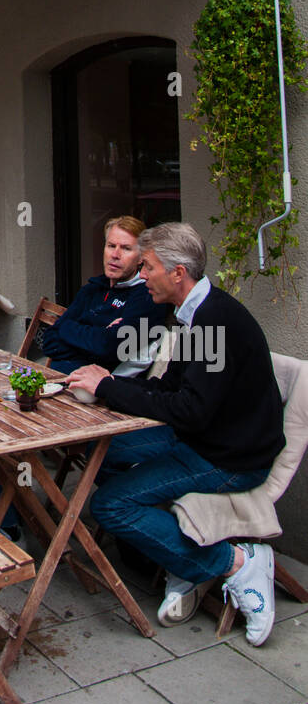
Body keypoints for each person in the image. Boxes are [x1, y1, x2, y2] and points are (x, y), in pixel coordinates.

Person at [68, 222, 285, 647]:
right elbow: (169, 389)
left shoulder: (213, 323)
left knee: (111, 505)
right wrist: (104, 383)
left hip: (228, 458)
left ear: (178, 273)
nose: (141, 274)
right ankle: (168, 552)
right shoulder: (196, 313)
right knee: (102, 451)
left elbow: (191, 411)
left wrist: (109, 389)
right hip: (199, 438)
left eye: (147, 266)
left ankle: (236, 562)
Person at [42, 215, 170, 376]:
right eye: (111, 245)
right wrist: (100, 335)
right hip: (57, 381)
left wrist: (66, 329)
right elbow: (49, 341)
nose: (115, 254)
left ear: (140, 259)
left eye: (126, 248)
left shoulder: (147, 296)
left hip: (98, 395)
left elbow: (108, 348)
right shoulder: (92, 289)